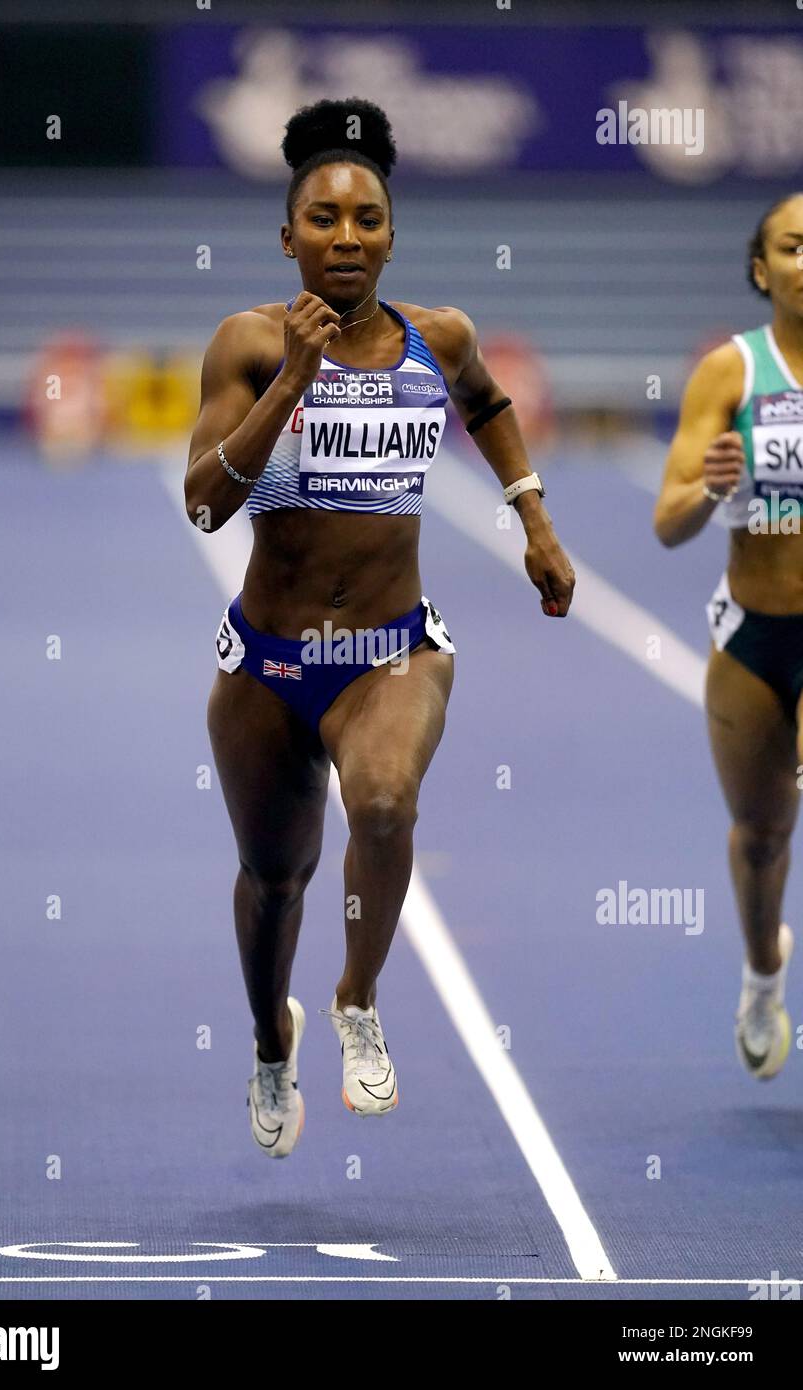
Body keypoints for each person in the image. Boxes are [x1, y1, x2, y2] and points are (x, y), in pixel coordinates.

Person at [185, 97, 575, 1156]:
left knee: (388, 802)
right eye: (322, 219)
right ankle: (273, 1040)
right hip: (267, 664)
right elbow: (204, 502)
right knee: (274, 879)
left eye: (365, 220)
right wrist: (295, 384)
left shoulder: (434, 338)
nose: (344, 238)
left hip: (391, 652)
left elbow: (488, 405)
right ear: (288, 237)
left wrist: (532, 518)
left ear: (390, 235)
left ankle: (357, 997)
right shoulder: (250, 343)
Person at [655, 192, 803, 1080]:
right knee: (758, 833)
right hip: (752, 632)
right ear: (762, 269)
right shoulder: (729, 373)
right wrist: (711, 488)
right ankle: (760, 976)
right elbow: (668, 522)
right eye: (793, 246)